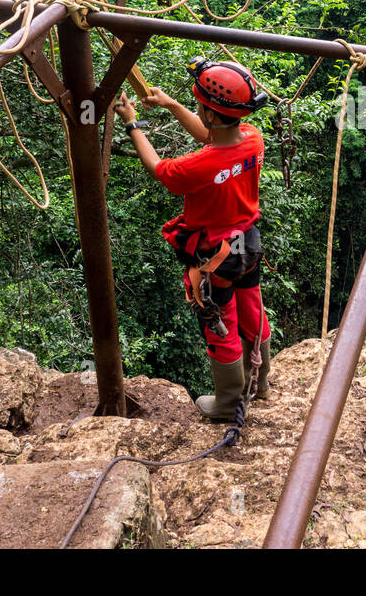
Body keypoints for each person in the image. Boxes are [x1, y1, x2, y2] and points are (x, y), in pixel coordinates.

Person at [114, 55, 271, 420]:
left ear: (212, 114)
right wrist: (170, 104)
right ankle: (260, 383)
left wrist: (132, 123)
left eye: (202, 107)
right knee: (252, 309)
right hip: (247, 244)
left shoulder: (198, 166)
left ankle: (229, 405)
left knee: (221, 323)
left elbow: (158, 168)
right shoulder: (252, 138)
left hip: (216, 257)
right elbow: (208, 134)